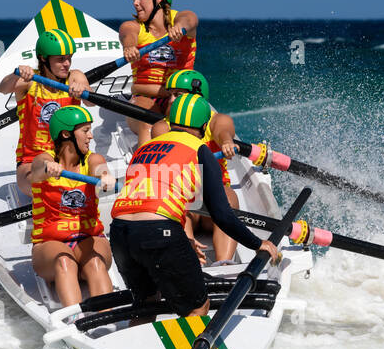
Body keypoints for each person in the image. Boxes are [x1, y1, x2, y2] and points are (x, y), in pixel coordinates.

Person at [110, 93, 281, 319]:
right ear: (203, 126)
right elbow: (222, 214)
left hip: (120, 233)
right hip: (158, 232)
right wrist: (258, 244)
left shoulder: (146, 147)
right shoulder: (200, 149)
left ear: (171, 123)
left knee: (147, 305)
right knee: (198, 307)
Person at [29, 105, 116, 308]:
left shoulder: (93, 159)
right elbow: (37, 169)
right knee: (64, 262)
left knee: (95, 263)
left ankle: (108, 323)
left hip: (89, 239)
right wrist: (48, 168)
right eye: (85, 131)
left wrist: (105, 178)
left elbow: (100, 169)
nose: (91, 136)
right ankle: (74, 323)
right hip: (49, 245)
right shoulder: (44, 159)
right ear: (66, 134)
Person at [155, 70, 242, 264]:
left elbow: (223, 131)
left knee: (229, 196)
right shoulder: (162, 127)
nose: (170, 100)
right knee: (177, 197)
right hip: (186, 205)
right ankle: (189, 257)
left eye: (177, 95)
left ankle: (224, 264)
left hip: (215, 203)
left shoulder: (216, 120)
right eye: (169, 94)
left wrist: (227, 142)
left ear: (196, 96)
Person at [0, 28, 91, 192]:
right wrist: (16, 74)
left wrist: (84, 92)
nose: (67, 64)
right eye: (61, 59)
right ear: (43, 58)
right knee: (50, 186)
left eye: (69, 58)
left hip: (69, 158)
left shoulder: (75, 77)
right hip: (31, 162)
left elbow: (91, 102)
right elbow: (3, 89)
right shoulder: (29, 81)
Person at [118, 0, 198, 146]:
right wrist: (129, 47)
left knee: (181, 128)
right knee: (148, 124)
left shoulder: (181, 19)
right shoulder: (134, 27)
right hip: (145, 97)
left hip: (179, 96)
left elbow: (190, 19)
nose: (135, 3)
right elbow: (127, 34)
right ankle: (146, 169)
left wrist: (180, 27)